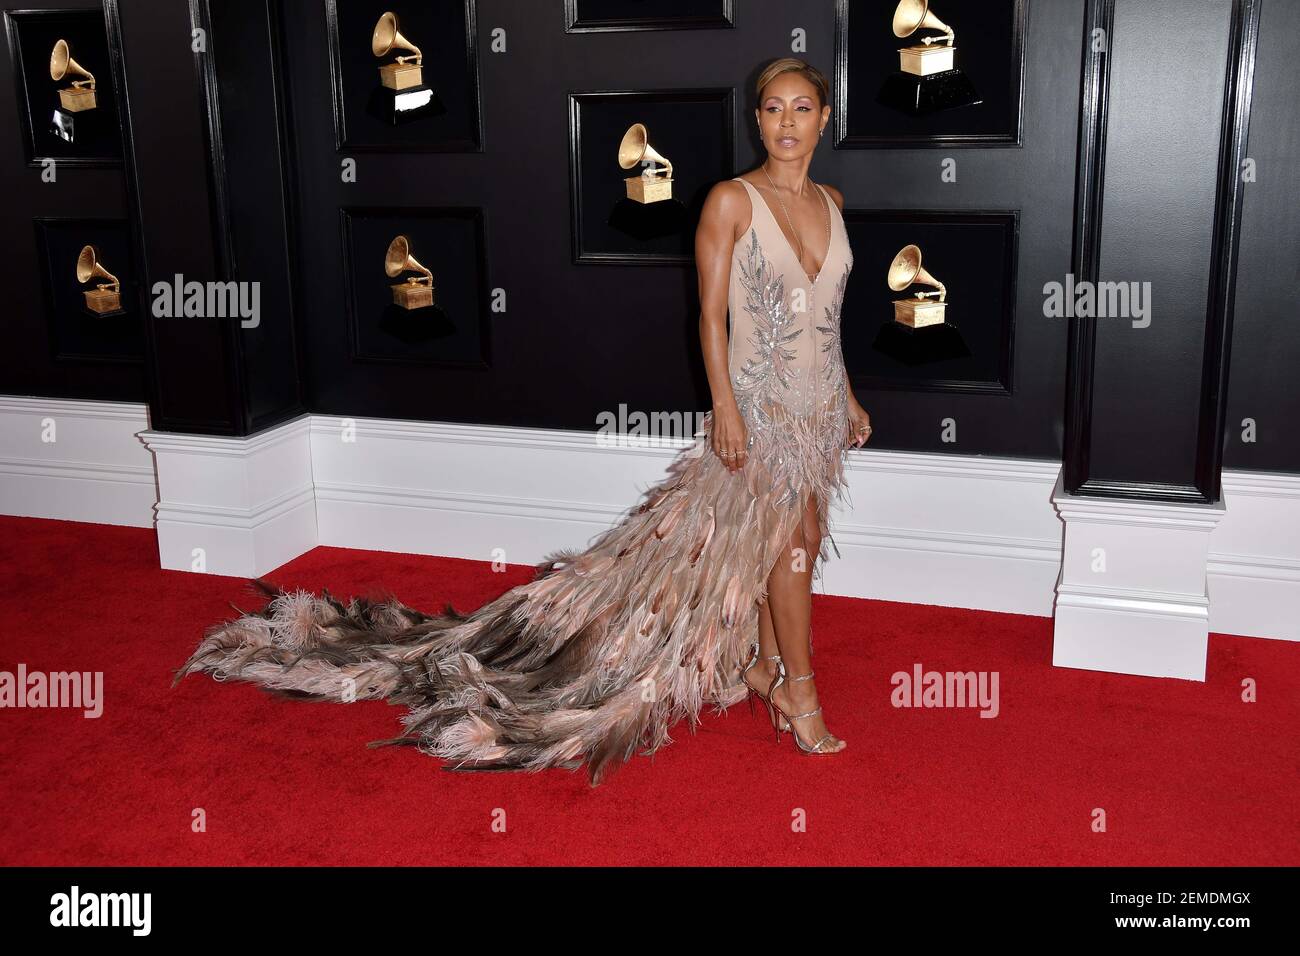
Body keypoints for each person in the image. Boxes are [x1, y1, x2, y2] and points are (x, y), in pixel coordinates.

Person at [172, 57, 872, 786]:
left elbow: (827, 319)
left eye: (800, 109)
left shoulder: (833, 201)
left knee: (795, 541)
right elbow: (710, 315)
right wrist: (724, 408)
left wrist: (847, 396)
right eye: (772, 109)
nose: (786, 123)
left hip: (819, 415)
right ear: (756, 119)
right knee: (787, 541)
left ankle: (763, 666)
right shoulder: (732, 200)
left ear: (824, 118)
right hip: (760, 415)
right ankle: (800, 689)